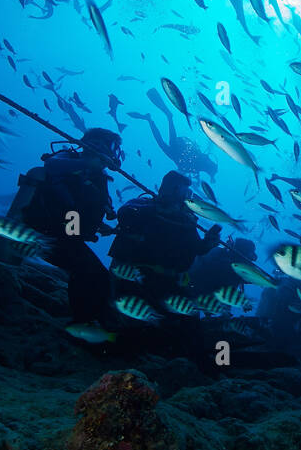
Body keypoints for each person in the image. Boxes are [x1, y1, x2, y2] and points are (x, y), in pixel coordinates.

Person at [17, 128, 120, 326]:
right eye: (111, 147)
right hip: (44, 233)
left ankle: (93, 321)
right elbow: (51, 165)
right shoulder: (69, 159)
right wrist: (86, 163)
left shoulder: (98, 178)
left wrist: (99, 225)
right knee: (87, 272)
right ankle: (82, 323)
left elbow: (78, 208)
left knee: (100, 278)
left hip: (68, 237)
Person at [109, 170, 221, 306]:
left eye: (185, 192)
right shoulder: (143, 204)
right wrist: (158, 210)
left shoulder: (186, 220)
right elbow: (124, 214)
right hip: (131, 276)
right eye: (180, 190)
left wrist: (208, 243)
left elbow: (197, 248)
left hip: (168, 282)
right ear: (168, 189)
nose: (183, 196)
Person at [189, 235, 255, 296]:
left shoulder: (217, 251)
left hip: (190, 290)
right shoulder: (234, 269)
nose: (250, 261)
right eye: (249, 256)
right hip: (201, 298)